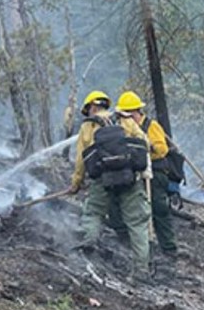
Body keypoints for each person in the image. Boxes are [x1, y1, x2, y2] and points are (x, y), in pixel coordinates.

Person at [65, 90, 153, 281]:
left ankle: (88, 247)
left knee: (93, 214)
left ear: (92, 107)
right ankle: (141, 272)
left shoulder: (87, 127)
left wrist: (76, 183)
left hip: (101, 182)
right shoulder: (125, 119)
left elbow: (81, 159)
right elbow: (144, 143)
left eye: (88, 109)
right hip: (130, 179)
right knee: (137, 224)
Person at [115, 91, 178, 257]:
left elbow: (162, 150)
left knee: (159, 210)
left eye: (128, 115)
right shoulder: (123, 128)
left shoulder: (151, 126)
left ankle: (169, 249)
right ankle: (141, 247)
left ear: (136, 112)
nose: (126, 118)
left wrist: (146, 147)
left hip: (155, 174)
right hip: (134, 175)